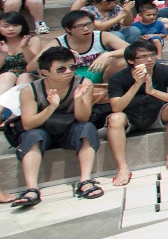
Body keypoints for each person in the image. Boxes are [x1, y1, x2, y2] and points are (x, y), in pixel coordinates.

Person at [8, 46, 102, 207]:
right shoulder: (30, 90)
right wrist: (51, 107)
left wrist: (78, 99)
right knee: (32, 135)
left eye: (72, 67)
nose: (68, 71)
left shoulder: (83, 84)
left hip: (69, 129)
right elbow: (28, 123)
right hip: (42, 130)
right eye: (61, 69)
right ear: (45, 72)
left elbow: (83, 118)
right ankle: (32, 189)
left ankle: (85, 180)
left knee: (87, 128)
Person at [98, 40, 168, 183]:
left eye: (152, 55)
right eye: (144, 57)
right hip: (130, 118)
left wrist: (152, 91)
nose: (150, 59)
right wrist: (137, 84)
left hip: (156, 113)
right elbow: (116, 108)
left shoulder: (167, 71)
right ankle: (122, 168)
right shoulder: (118, 78)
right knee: (115, 118)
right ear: (131, 60)